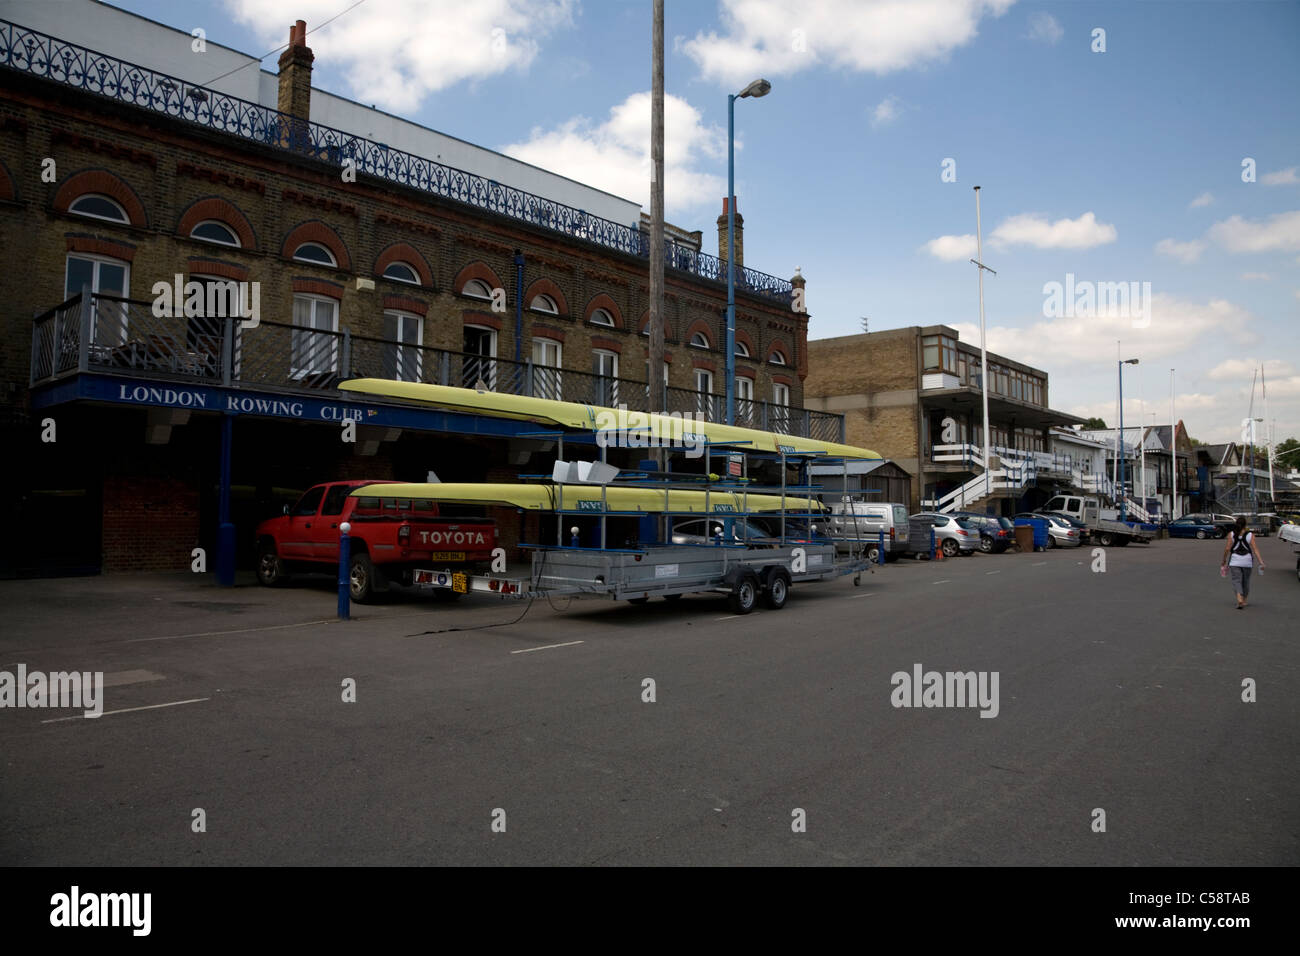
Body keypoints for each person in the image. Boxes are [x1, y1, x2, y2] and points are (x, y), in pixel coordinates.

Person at [1220, 516, 1265, 609]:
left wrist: (1224, 560)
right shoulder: (1250, 535)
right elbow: (1255, 549)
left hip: (1235, 561)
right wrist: (1261, 562)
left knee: (1236, 581)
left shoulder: (1231, 534)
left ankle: (1239, 598)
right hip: (1247, 561)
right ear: (1245, 525)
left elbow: (1227, 549)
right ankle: (1244, 601)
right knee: (1246, 581)